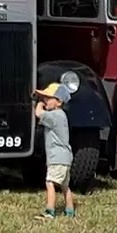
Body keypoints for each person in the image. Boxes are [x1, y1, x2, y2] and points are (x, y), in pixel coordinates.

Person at [33, 82, 75, 220]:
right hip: (65, 157)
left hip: (56, 157)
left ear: (59, 102)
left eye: (48, 98)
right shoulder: (62, 115)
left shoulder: (55, 116)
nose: (45, 101)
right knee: (65, 186)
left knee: (50, 182)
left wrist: (38, 103)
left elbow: (38, 113)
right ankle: (70, 210)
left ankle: (50, 211)